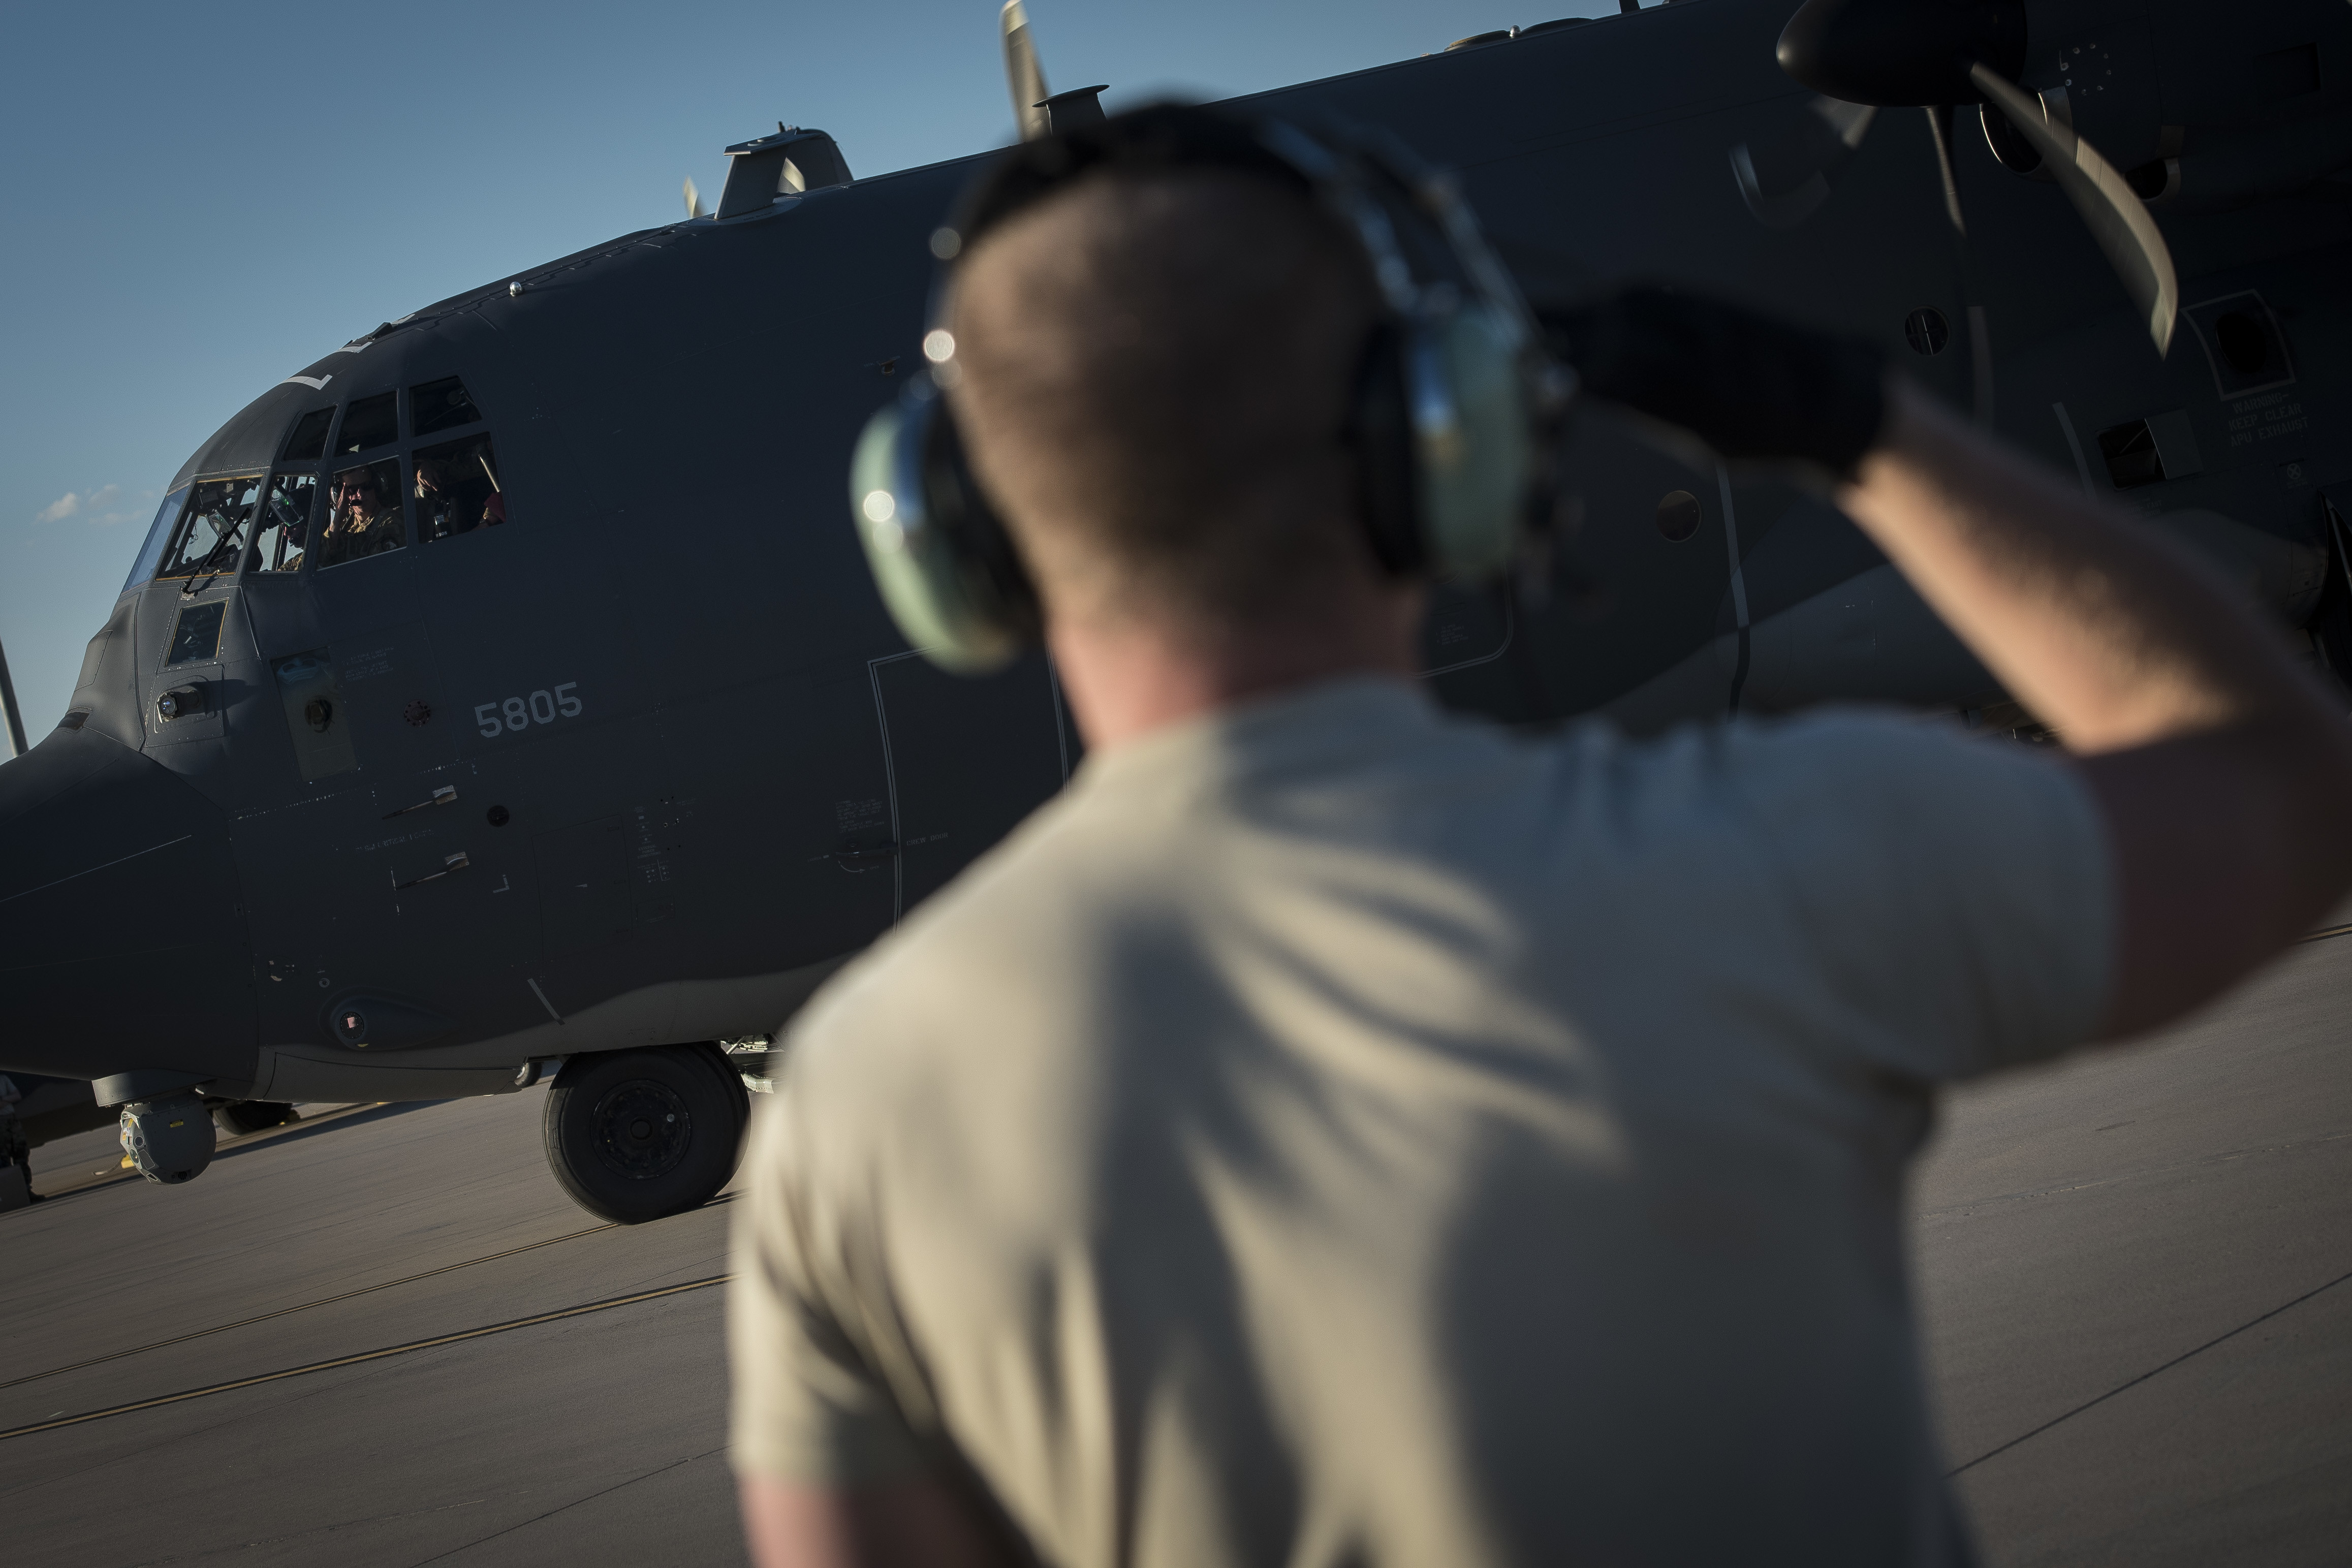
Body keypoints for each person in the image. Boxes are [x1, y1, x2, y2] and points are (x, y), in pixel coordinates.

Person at [729, 106, 2352, 1567]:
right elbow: (2283, 790)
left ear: (955, 537)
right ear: (1443, 439)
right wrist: (1868, 428)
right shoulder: (1767, 852)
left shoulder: (848, 1111)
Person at [323, 465, 404, 563]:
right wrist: (337, 522)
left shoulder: (391, 521)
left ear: (376, 485)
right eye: (352, 489)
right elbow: (311, 563)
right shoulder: (342, 526)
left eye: (366, 486)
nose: (361, 494)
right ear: (341, 495)